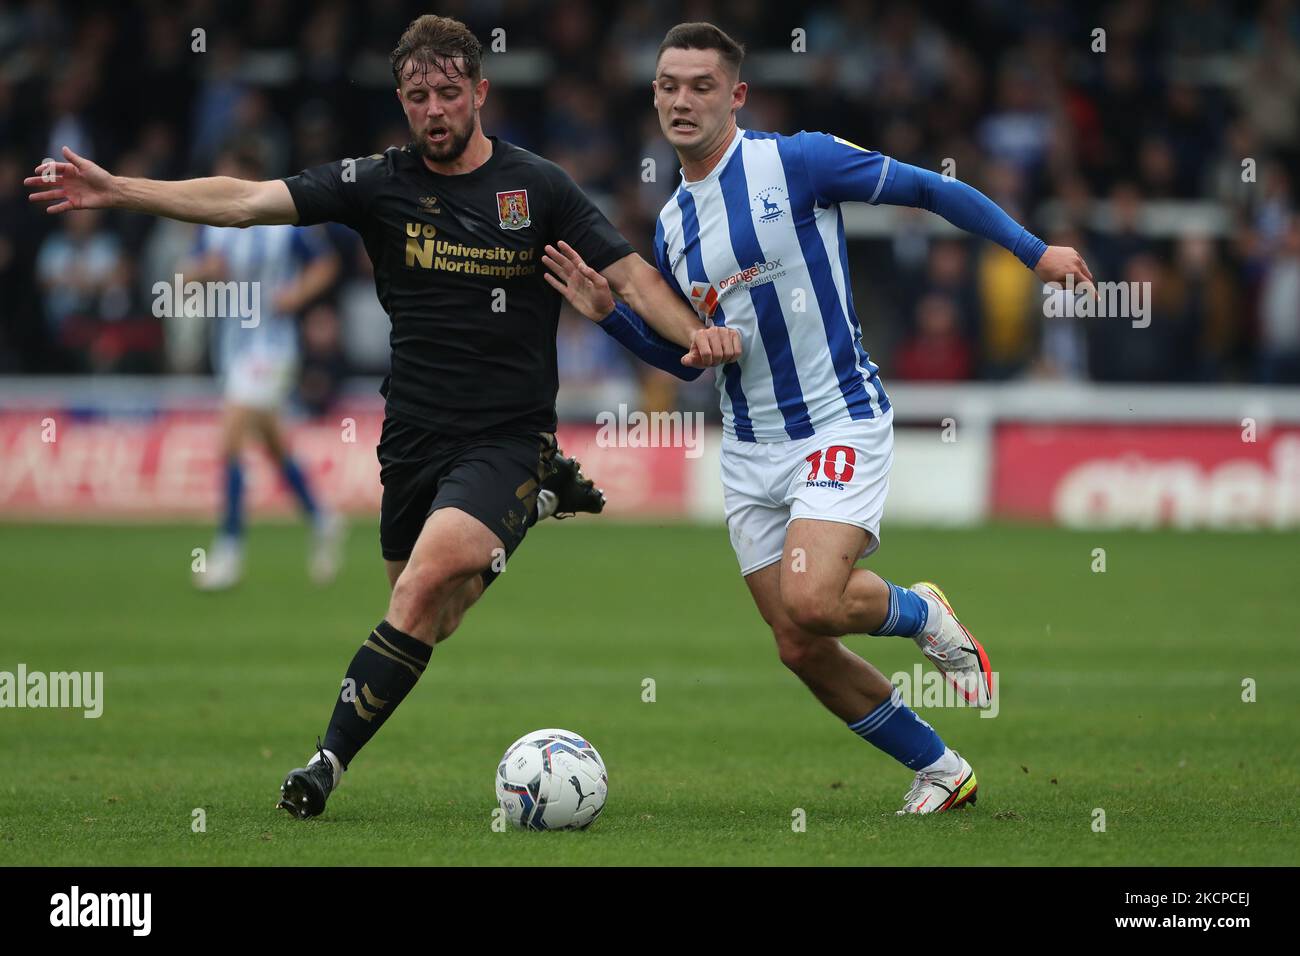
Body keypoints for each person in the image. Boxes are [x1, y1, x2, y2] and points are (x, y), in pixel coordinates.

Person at [26, 14, 737, 820]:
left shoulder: (536, 187)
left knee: (424, 585)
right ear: (403, 100)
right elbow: (244, 200)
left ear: (480, 90)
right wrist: (121, 190)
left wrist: (699, 335)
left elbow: (634, 275)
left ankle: (324, 765)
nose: (433, 110)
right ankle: (537, 502)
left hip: (507, 436)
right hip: (412, 439)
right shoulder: (378, 181)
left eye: (446, 93)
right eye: (416, 96)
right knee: (431, 611)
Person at [543, 22, 1093, 815]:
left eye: (701, 86)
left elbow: (930, 187)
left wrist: (1032, 250)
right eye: (668, 85)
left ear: (736, 95)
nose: (682, 100)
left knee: (811, 598)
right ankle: (941, 769)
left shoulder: (795, 160)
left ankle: (920, 612)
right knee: (799, 643)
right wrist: (610, 316)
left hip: (836, 420)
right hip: (750, 447)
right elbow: (687, 360)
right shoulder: (671, 226)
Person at [183, 140, 343, 590]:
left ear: (246, 177)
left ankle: (229, 551)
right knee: (274, 447)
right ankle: (322, 518)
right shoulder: (213, 227)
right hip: (232, 349)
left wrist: (296, 295)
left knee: (230, 439)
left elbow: (326, 264)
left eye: (225, 174)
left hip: (271, 350)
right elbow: (189, 271)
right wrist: (200, 273)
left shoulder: (282, 224)